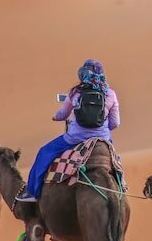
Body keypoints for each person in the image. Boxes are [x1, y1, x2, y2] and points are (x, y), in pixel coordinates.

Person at [17, 59, 121, 202]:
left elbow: (63, 114)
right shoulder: (111, 94)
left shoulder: (76, 92)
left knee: (44, 152)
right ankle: (120, 188)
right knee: (115, 161)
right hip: (102, 138)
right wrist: (102, 130)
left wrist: (56, 117)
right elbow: (115, 123)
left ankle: (32, 192)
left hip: (75, 137)